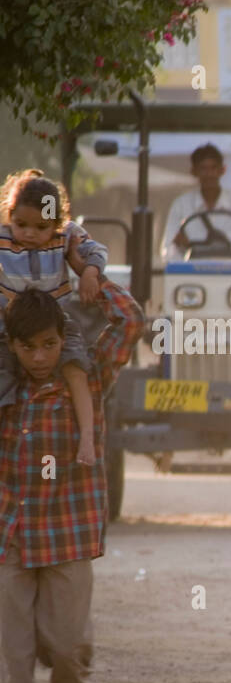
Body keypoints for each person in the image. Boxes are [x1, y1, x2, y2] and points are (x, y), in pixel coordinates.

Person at [0, 281, 146, 683]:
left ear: (63, 339)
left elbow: (129, 320)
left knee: (65, 650)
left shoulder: (87, 377)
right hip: (10, 538)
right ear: (11, 345)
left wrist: (83, 268)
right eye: (27, 347)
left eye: (48, 344)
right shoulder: (5, 386)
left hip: (67, 533)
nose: (39, 357)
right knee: (11, 660)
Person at [0, 169, 102, 468]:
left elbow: (95, 250)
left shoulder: (65, 239)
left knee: (75, 370)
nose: (30, 234)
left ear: (57, 223)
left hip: (55, 321)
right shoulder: (4, 241)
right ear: (10, 216)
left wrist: (90, 272)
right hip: (10, 321)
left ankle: (86, 438)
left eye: (40, 227)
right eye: (21, 225)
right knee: (5, 372)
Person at [159, 144, 231, 261]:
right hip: (191, 276)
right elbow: (168, 252)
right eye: (203, 169)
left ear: (222, 170)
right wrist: (180, 248)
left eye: (213, 168)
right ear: (193, 171)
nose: (209, 175)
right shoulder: (181, 206)